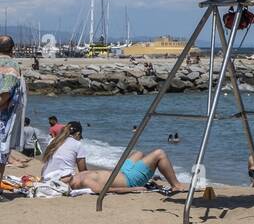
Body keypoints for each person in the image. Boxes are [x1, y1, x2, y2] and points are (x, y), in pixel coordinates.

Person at [41, 122, 182, 194]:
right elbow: (107, 190)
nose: (64, 176)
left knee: (138, 153)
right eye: (63, 178)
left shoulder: (77, 177)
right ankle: (176, 185)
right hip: (130, 180)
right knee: (159, 153)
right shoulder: (83, 181)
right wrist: (135, 189)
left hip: (120, 173)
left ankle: (152, 174)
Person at [0, 36, 25, 186]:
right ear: (12, 49)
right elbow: (5, 94)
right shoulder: (12, 65)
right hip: (3, 118)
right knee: (1, 154)